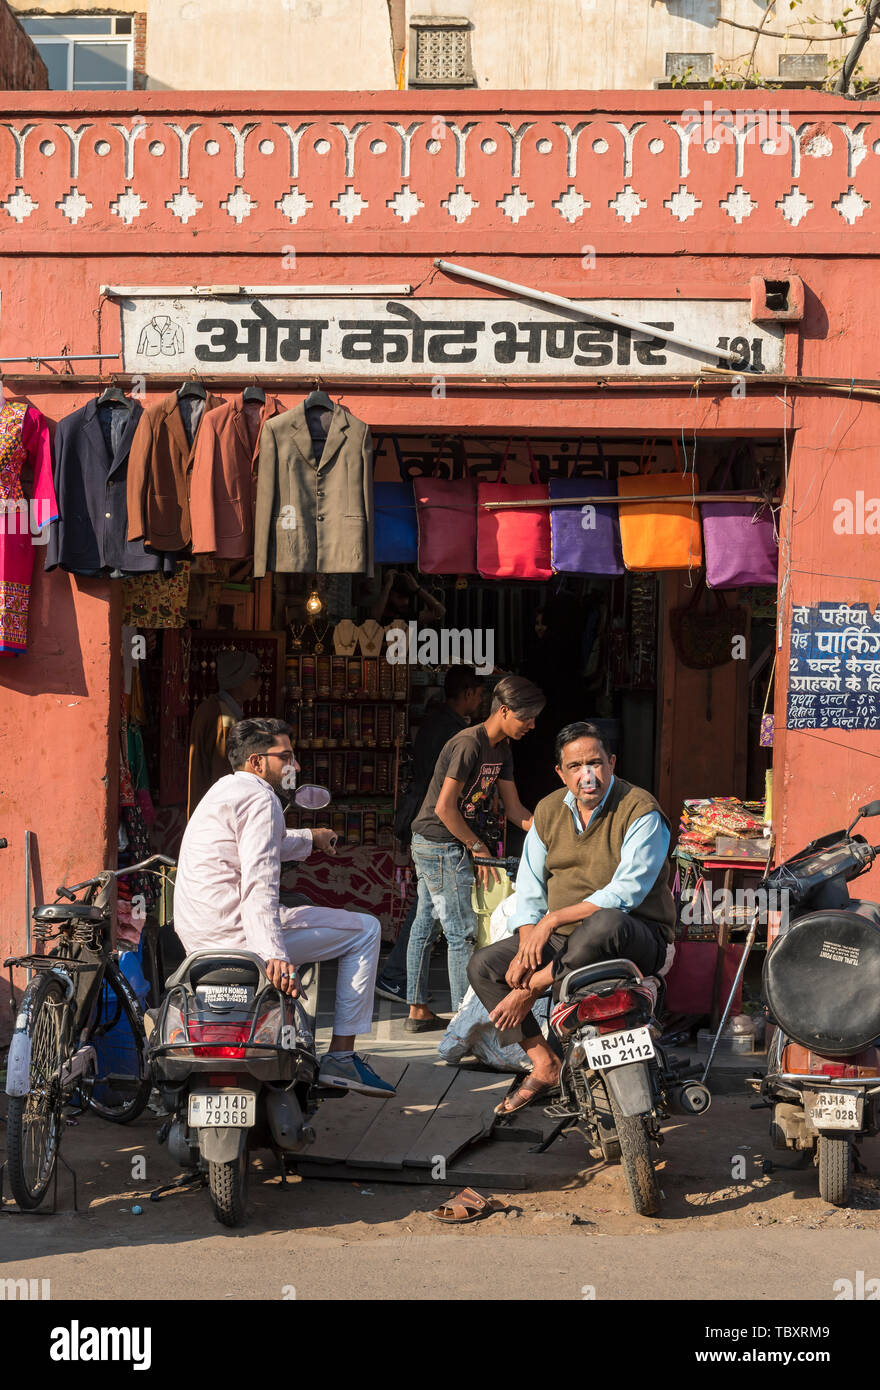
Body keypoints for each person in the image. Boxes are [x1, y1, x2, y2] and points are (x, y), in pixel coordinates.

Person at [174, 716, 396, 1098]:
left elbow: (261, 845)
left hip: (199, 936)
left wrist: (312, 838)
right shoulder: (262, 797)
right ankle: (342, 1058)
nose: (294, 767)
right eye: (286, 757)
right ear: (257, 762)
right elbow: (260, 880)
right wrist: (272, 953)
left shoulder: (224, 791)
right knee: (366, 930)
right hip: (239, 935)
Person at [467, 721, 675, 1114]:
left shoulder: (640, 809)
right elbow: (529, 889)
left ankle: (534, 990)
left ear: (611, 763)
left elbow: (626, 892)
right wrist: (528, 943)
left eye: (595, 763)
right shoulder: (547, 811)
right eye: (576, 767)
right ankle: (544, 1064)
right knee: (483, 965)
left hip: (635, 934)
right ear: (560, 773)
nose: (588, 775)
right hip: (568, 940)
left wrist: (532, 980)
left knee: (606, 921)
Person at [405, 674, 545, 1033]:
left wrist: (550, 830)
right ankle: (464, 1023)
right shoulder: (469, 743)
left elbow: (515, 810)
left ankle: (418, 1010)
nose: (532, 724)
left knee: (426, 926)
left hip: (445, 842)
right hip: (438, 842)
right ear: (503, 710)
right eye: (526, 717)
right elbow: (444, 808)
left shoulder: (502, 749)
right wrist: (478, 848)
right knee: (461, 931)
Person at [376, 665, 484, 1003]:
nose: (480, 702)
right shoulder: (456, 734)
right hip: (436, 827)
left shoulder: (437, 724)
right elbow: (444, 796)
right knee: (456, 929)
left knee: (427, 913)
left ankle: (403, 988)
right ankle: (461, 1013)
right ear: (468, 693)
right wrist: (473, 840)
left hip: (426, 822)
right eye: (479, 695)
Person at [186, 650, 263, 818]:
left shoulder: (216, 708)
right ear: (239, 679)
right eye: (255, 676)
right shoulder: (223, 717)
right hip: (216, 814)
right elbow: (224, 773)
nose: (260, 682)